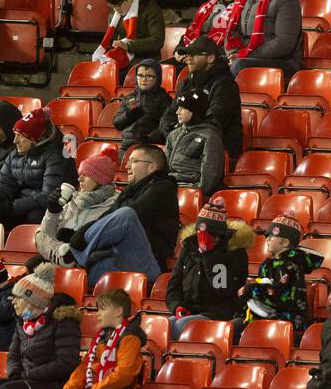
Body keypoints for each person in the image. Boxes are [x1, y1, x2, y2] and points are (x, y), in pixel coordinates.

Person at [0, 263, 80, 389]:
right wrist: (14, 373)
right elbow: (13, 354)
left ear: (33, 301)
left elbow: (66, 363)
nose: (13, 302)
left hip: (52, 383)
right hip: (25, 379)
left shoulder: (64, 321)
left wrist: (28, 375)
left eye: (19, 298)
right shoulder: (22, 321)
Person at [80, 143, 180, 272]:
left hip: (149, 263)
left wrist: (82, 238)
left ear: (152, 167)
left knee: (127, 214)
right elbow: (107, 217)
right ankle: (76, 256)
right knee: (90, 267)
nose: (126, 166)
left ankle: (76, 255)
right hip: (122, 257)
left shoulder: (163, 189)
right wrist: (80, 233)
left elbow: (132, 216)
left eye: (133, 161)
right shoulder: (130, 191)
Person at [168, 198, 253, 336]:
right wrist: (177, 306)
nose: (203, 239)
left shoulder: (235, 253)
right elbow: (174, 286)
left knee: (182, 326)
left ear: (220, 235)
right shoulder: (189, 248)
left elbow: (223, 290)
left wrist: (208, 255)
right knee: (167, 324)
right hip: (190, 311)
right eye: (200, 233)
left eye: (209, 234)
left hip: (219, 314)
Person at [222, 0, 304, 78]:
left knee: (238, 66)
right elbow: (232, 33)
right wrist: (233, 53)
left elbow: (284, 43)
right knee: (208, 62)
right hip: (246, 56)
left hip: (283, 62)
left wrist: (247, 54)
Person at [238, 212, 321, 338]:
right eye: (267, 236)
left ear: (285, 242)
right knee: (235, 326)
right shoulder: (268, 262)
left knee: (238, 330)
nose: (267, 239)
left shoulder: (290, 267)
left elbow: (281, 297)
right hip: (265, 317)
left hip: (287, 320)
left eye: (272, 236)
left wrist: (251, 289)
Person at [162, 36, 244, 161]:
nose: (188, 58)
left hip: (218, 149)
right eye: (187, 54)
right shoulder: (186, 83)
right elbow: (170, 114)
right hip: (186, 144)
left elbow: (214, 122)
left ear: (210, 58)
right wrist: (172, 132)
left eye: (193, 55)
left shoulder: (225, 85)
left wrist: (181, 133)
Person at [62, 288, 146, 389]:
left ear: (118, 311)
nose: (98, 313)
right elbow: (84, 367)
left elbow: (125, 374)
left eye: (103, 309)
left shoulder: (130, 338)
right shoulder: (100, 337)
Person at [33, 149, 119, 264]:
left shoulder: (112, 205)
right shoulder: (72, 200)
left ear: (100, 180)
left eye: (86, 175)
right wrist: (52, 211)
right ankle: (63, 257)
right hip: (57, 257)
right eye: (80, 175)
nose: (79, 179)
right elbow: (48, 235)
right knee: (35, 253)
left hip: (83, 264)